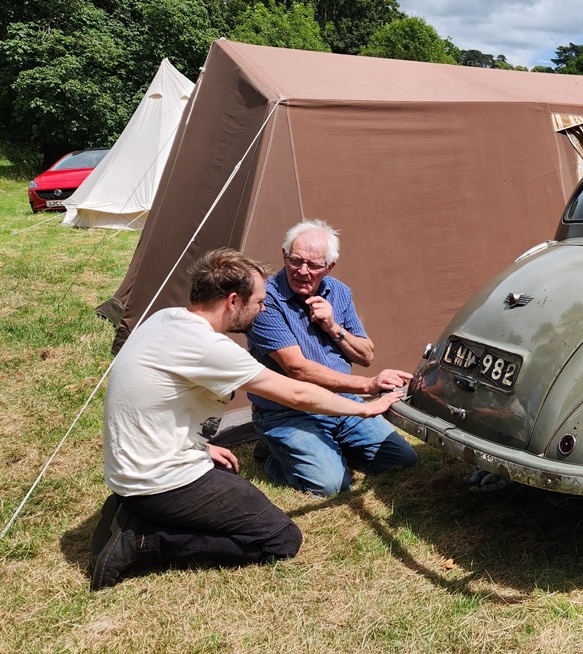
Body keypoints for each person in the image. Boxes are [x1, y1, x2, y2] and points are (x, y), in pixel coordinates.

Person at [89, 248, 405, 590]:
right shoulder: (207, 347)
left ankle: (135, 510)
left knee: (238, 495)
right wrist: (365, 407)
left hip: (132, 472)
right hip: (159, 482)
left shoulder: (166, 318)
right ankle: (141, 540)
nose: (263, 308)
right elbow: (297, 393)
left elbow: (152, 404)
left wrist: (202, 448)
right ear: (233, 301)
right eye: (259, 301)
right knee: (280, 539)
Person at [246, 219, 417, 497]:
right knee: (332, 485)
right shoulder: (265, 300)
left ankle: (327, 450)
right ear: (284, 256)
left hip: (341, 402)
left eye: (313, 265)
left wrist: (333, 327)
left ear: (329, 267)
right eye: (295, 261)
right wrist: (368, 385)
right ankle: (271, 454)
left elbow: (366, 355)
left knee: (402, 460)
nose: (302, 271)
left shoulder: (338, 292)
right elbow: (297, 369)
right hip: (289, 411)